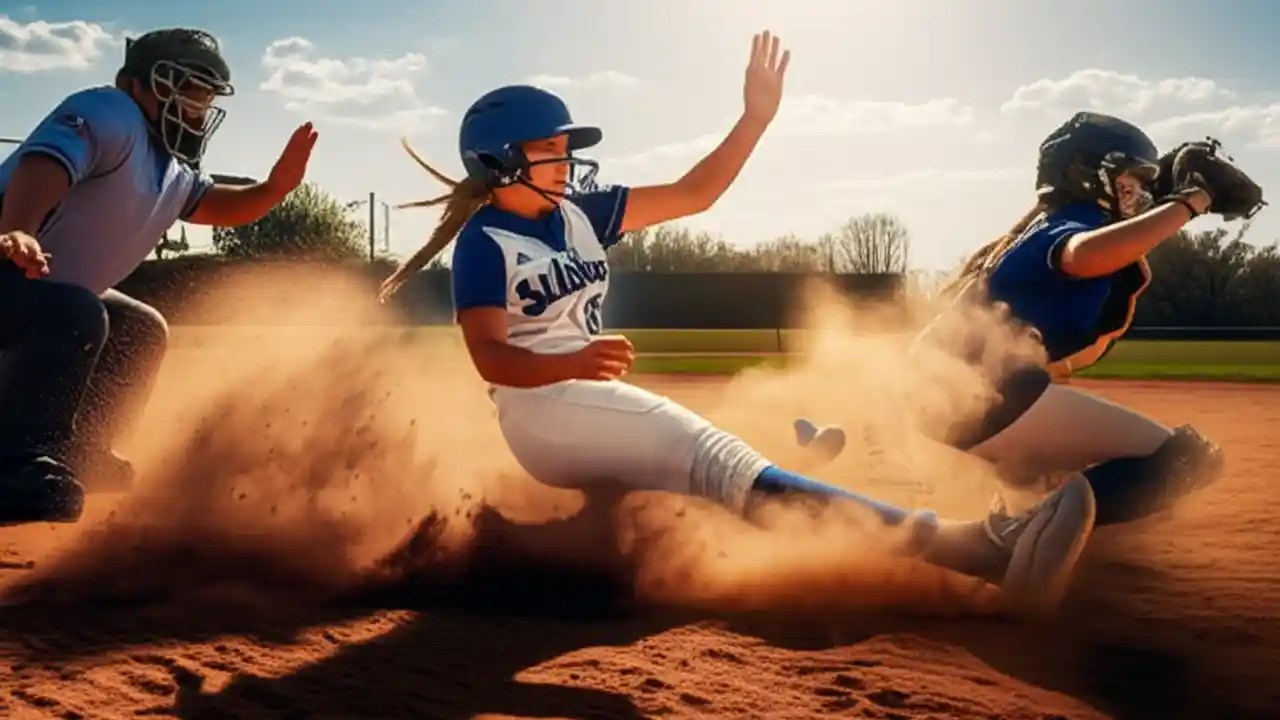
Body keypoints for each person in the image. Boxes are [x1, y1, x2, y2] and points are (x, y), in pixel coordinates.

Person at [378, 31, 1098, 616]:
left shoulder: (581, 215)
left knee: (704, 480)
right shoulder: (484, 244)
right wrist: (571, 362)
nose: (567, 160)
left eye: (567, 148)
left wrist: (754, 118)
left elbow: (697, 192)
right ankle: (977, 551)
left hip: (580, 402)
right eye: (549, 149)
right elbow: (493, 363)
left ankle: (590, 550)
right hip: (541, 409)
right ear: (502, 165)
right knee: (715, 460)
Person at [798, 111, 1265, 529]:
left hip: (958, 397)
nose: (1140, 190)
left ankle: (1010, 524)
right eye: (1131, 178)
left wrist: (1167, 203)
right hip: (989, 395)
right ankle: (1013, 537)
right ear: (1090, 176)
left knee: (1073, 478)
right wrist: (1190, 202)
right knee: (1189, 459)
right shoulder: (1077, 223)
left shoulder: (1042, 226)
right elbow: (1085, 256)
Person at [0, 27, 318, 524]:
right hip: (10, 266)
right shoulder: (111, 111)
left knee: (138, 326)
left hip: (27, 289)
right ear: (134, 85)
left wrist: (274, 189)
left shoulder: (171, 166)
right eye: (179, 87)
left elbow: (212, 205)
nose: (192, 104)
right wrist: (19, 229)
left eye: (202, 93)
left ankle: (80, 452)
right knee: (75, 311)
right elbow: (45, 161)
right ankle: (11, 465)